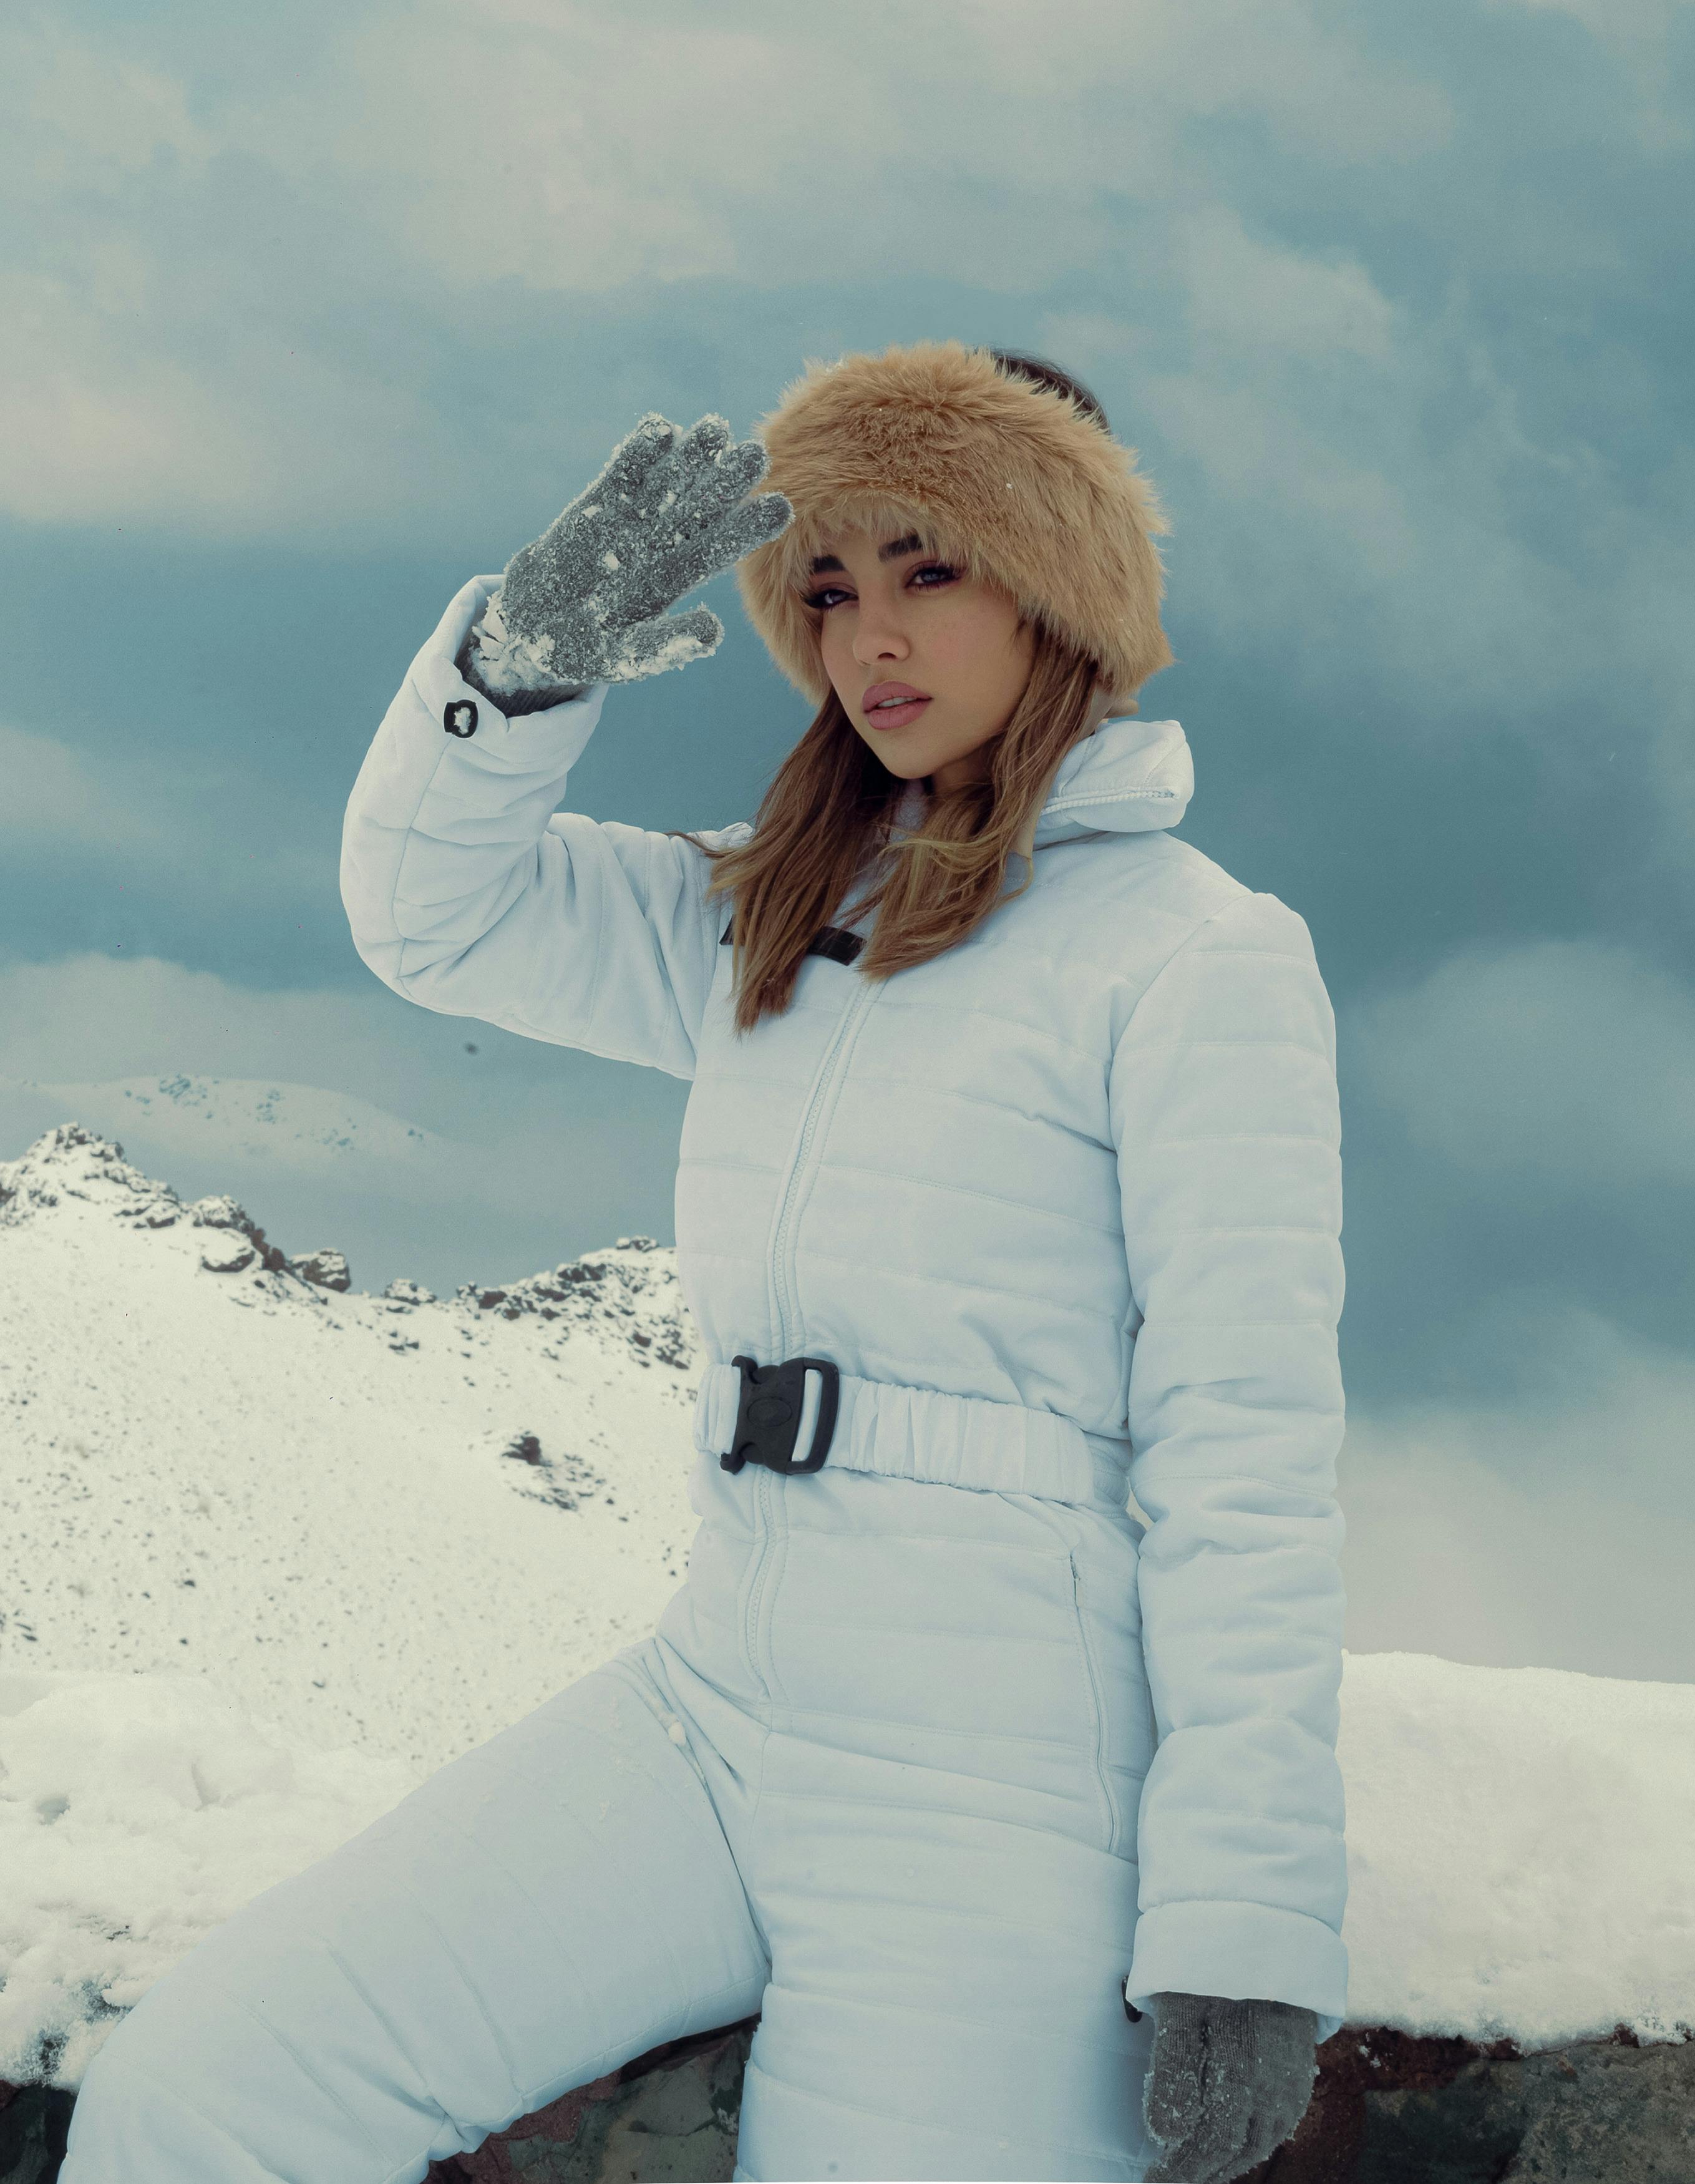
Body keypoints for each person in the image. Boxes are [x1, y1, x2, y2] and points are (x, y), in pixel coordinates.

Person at [62, 343, 1349, 2184]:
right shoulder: (775, 911)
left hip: (994, 1793)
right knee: (214, 2091)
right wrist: (520, 664)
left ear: (1058, 588)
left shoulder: (1194, 958)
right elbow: (441, 918)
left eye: (928, 569)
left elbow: (1249, 1441)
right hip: (712, 1708)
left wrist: (1246, 1930)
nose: (867, 638)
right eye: (826, 588)